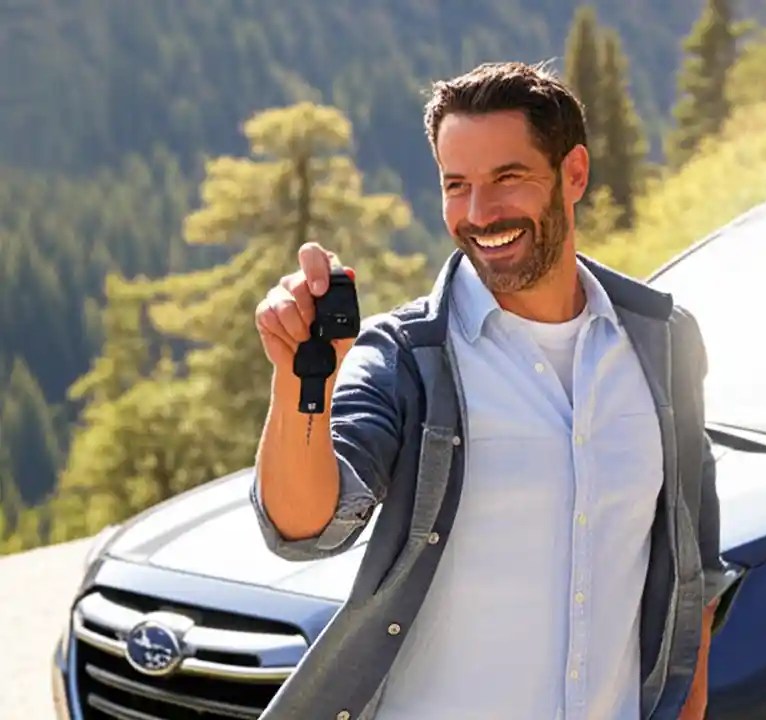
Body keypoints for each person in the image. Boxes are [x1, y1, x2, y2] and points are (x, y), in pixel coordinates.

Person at [251, 61, 730, 720]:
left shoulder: (663, 342)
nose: (480, 214)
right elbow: (305, 527)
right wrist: (301, 379)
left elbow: (695, 568)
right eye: (457, 185)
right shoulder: (406, 357)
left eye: (508, 178)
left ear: (574, 174)